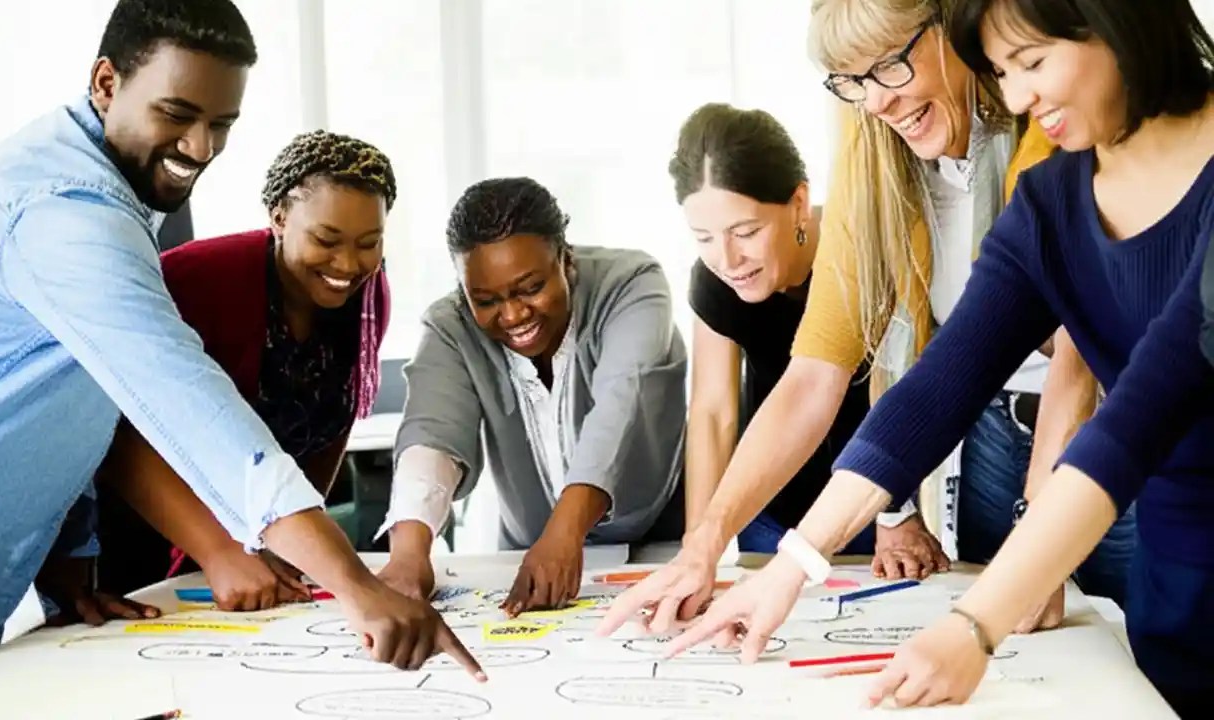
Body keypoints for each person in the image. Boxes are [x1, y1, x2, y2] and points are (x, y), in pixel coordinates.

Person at [652, 0, 1214, 715]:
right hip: (1177, 561)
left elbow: (1134, 420)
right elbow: (939, 385)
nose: (1014, 98)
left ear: (1118, 24)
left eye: (1032, 64)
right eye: (1003, 72)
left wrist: (975, 626)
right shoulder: (1052, 199)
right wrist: (792, 564)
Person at [0, 0, 481, 676]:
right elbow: (186, 409)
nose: (201, 147)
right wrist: (355, 585)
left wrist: (73, 551)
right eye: (176, 114)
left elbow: (70, 389)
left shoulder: (110, 191)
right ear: (106, 84)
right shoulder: (68, 212)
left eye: (221, 123)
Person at [95, 130, 395, 611]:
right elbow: (115, 434)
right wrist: (218, 551)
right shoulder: (195, 281)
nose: (348, 263)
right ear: (279, 217)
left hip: (246, 539)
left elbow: (332, 424)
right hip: (131, 528)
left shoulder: (366, 294)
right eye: (326, 239)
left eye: (369, 242)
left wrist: (293, 541)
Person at [376, 177, 686, 617]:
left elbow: (622, 402)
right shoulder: (449, 326)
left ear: (566, 257)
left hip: (656, 542)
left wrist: (565, 533)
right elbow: (431, 434)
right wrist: (407, 559)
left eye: (530, 288)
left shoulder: (633, 285)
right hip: (530, 552)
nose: (514, 314)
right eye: (485, 299)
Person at [673, 103, 878, 557]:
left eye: (744, 231)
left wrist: (899, 515)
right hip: (768, 515)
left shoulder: (862, 252)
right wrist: (697, 546)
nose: (727, 260)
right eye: (704, 238)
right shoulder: (714, 280)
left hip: (868, 510)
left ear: (798, 204)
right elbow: (712, 411)